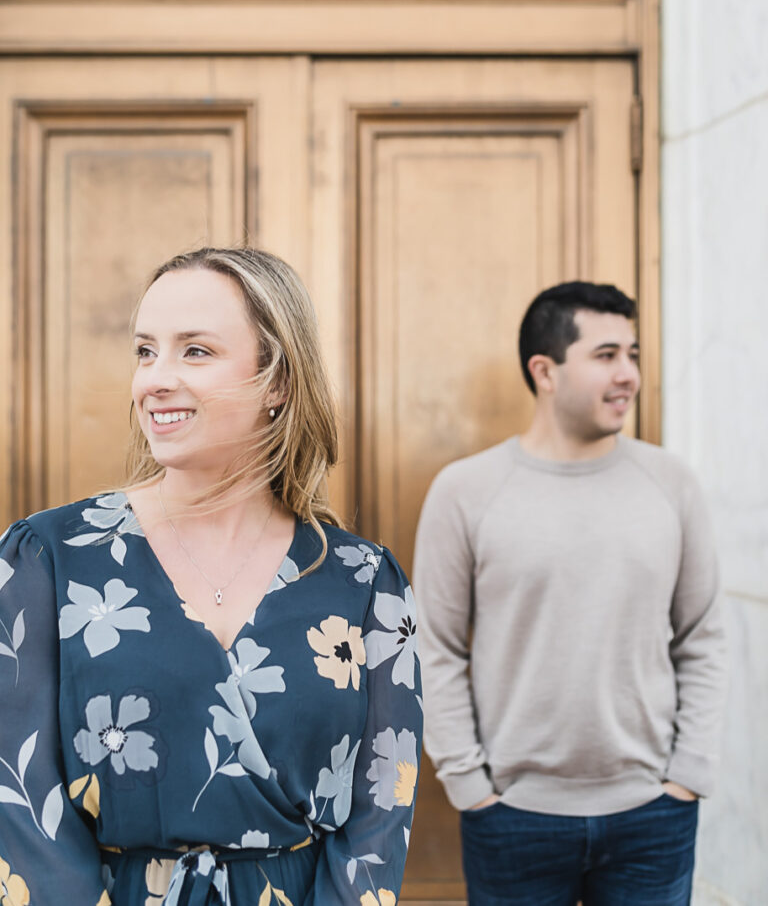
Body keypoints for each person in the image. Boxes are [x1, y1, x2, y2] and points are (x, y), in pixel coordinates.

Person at [0, 246, 421, 906]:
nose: (155, 379)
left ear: (277, 379)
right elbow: (20, 805)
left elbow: (380, 812)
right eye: (146, 351)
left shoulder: (364, 581)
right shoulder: (50, 557)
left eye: (194, 351)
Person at [413, 281, 726, 906]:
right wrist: (469, 783)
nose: (629, 374)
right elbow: (433, 647)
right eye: (606, 355)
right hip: (513, 817)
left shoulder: (671, 483)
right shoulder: (466, 490)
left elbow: (704, 637)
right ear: (545, 371)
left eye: (633, 354)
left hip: (652, 814)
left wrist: (689, 773)